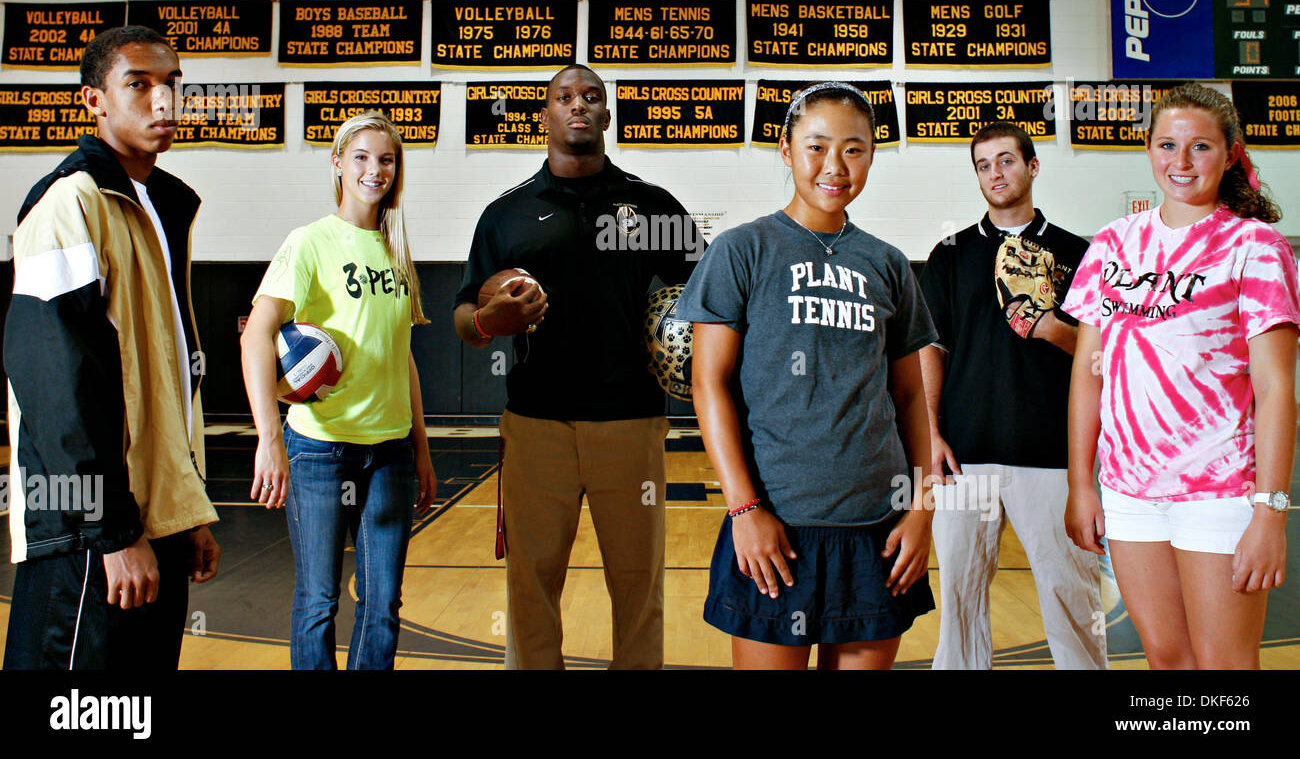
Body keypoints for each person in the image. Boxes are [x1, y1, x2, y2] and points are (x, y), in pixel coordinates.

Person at [676, 82, 936, 670]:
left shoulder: (887, 262)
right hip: (775, 526)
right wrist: (744, 510)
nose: (834, 166)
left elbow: (909, 393)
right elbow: (707, 384)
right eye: (817, 146)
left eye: (854, 149)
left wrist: (922, 509)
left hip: (880, 531)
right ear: (787, 150)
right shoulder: (742, 251)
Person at [452, 64, 702, 669]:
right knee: (530, 589)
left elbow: (707, 299)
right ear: (545, 115)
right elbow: (463, 316)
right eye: (565, 97)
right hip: (538, 425)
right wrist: (491, 322)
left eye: (592, 97)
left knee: (638, 588)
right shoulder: (505, 214)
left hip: (631, 423)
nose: (579, 105)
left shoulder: (653, 206)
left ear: (607, 117)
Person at [4, 25, 220, 669]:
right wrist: (109, 533)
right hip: (91, 533)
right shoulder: (68, 203)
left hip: (154, 521)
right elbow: (57, 385)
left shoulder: (162, 206)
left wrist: (188, 512)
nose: (163, 102)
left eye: (172, 86)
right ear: (93, 101)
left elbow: (167, 385)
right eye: (139, 85)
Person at [1064, 83, 1299, 670]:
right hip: (1128, 491)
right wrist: (1081, 484)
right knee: (1167, 658)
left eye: (1200, 147)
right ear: (1148, 149)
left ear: (1230, 154)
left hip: (1220, 492)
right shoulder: (1112, 244)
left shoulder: (1255, 246)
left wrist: (1270, 511)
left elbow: (1276, 390)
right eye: (1168, 145)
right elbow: (1087, 377)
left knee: (1226, 665)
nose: (1181, 161)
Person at [241, 110, 436, 670]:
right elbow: (255, 338)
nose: (376, 169)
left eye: (387, 159)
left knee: (382, 603)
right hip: (319, 450)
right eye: (363, 157)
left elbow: (403, 358)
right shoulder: (308, 243)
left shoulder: (399, 254)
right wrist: (267, 440)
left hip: (392, 453)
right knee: (319, 601)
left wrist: (421, 447)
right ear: (338, 164)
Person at [919, 122, 1107, 670]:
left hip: (1052, 454)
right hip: (963, 454)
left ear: (1032, 167)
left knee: (1071, 595)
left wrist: (1053, 327)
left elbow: (1104, 356)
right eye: (983, 165)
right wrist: (930, 434)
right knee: (958, 598)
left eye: (1006, 161)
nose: (995, 173)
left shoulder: (1079, 252)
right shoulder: (951, 253)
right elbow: (931, 348)